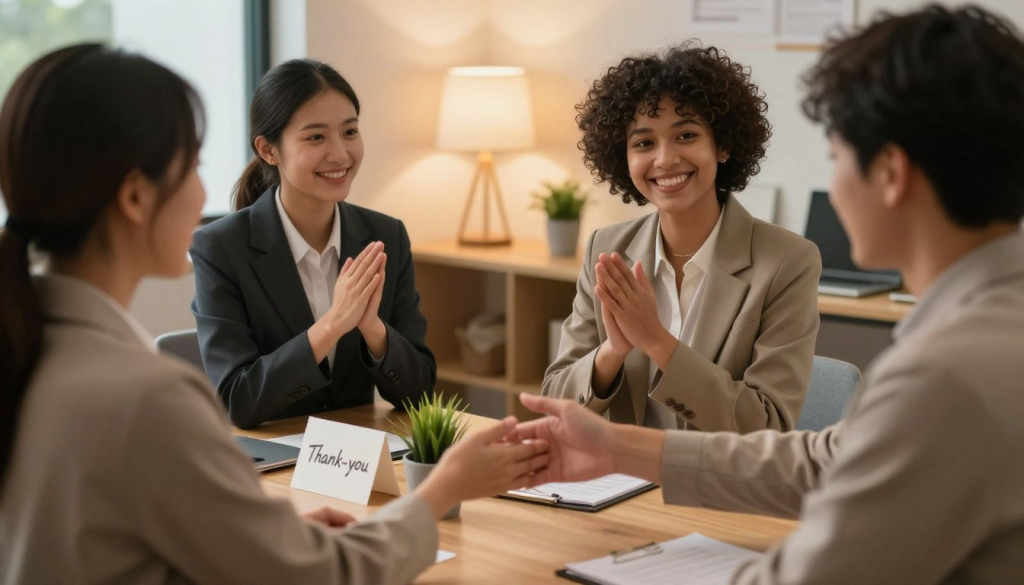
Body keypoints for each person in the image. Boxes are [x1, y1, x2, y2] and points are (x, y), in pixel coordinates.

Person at [0, 44, 549, 585]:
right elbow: (321, 575)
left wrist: (258, 535)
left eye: (349, 130)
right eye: (192, 165)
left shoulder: (32, 353)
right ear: (136, 198)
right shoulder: (146, 396)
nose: (200, 192)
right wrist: (444, 488)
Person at [517, 5, 1024, 583]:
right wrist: (618, 447)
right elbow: (828, 459)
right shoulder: (986, 328)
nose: (831, 185)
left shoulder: (943, 374)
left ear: (890, 172)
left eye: (834, 157)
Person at [543, 43, 821, 432]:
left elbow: (766, 424)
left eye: (686, 135)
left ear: (722, 145)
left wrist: (657, 342)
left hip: (717, 487)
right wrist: (613, 350)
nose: (665, 159)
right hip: (623, 485)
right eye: (643, 143)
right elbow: (557, 401)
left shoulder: (787, 261)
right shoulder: (605, 251)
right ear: (622, 157)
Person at [190, 59, 435, 429]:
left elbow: (419, 396)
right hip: (271, 467)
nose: (340, 154)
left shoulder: (387, 237)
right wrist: (333, 325)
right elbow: (238, 402)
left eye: (350, 132)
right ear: (269, 150)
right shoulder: (220, 248)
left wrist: (374, 330)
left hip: (357, 462)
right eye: (316, 137)